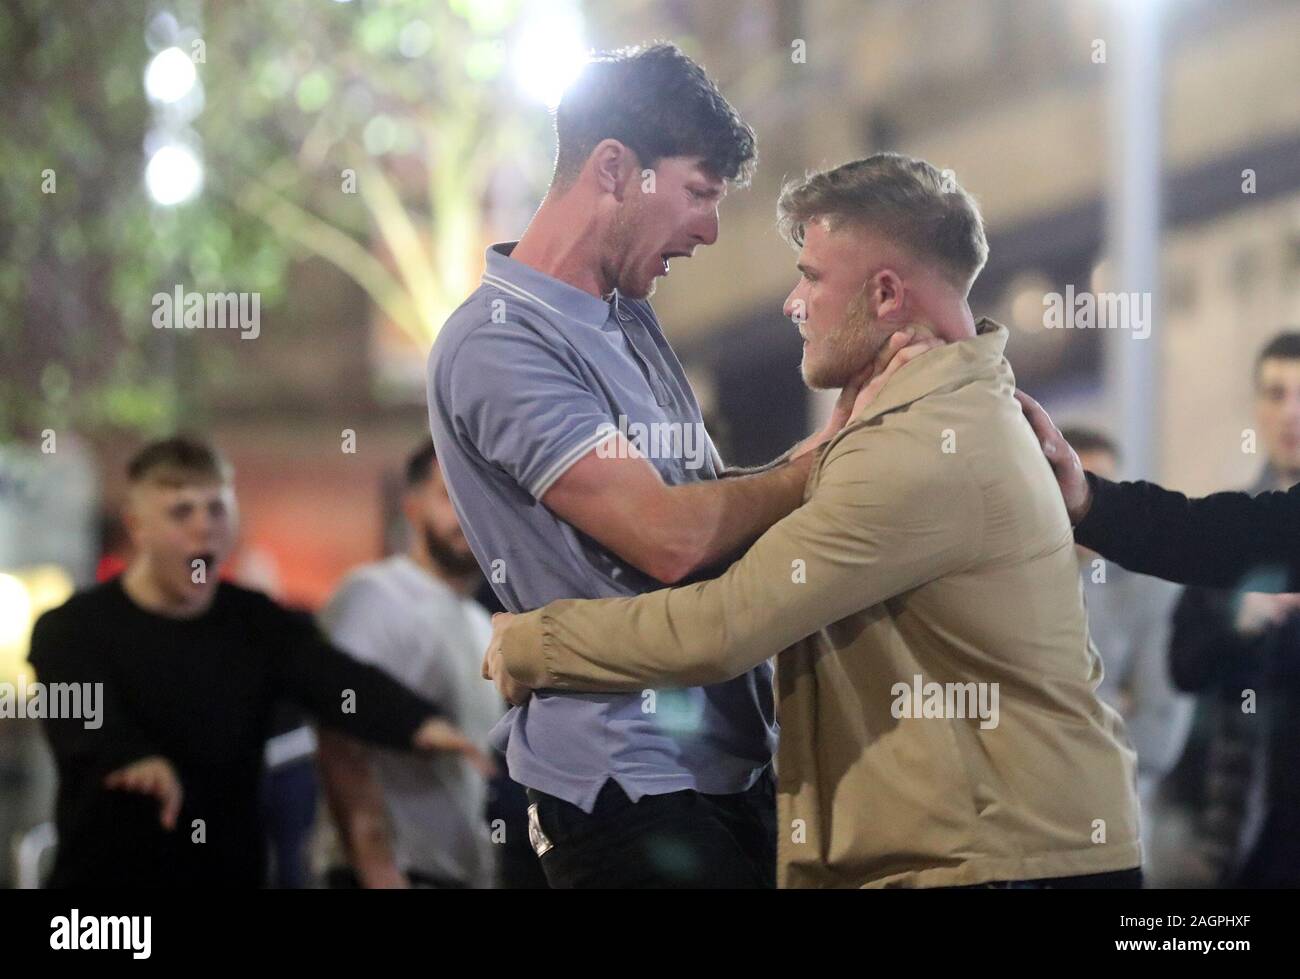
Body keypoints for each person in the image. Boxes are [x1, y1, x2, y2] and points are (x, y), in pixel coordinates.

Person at [487, 154, 1142, 889]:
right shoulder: (934, 417)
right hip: (997, 856)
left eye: (812, 277)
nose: (793, 303)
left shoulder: (920, 447)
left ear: (887, 293)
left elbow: (727, 624)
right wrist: (813, 460)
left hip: (995, 866)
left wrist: (535, 640)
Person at [427, 43, 891, 889]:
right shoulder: (498, 342)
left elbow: (709, 505)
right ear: (614, 169)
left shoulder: (626, 316)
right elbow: (671, 538)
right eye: (700, 192)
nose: (711, 227)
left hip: (726, 766)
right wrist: (817, 461)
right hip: (625, 784)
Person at [29, 437, 491, 888]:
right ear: (138, 526)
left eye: (215, 509)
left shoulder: (256, 622)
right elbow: (77, 715)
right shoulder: (71, 629)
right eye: (181, 511)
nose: (203, 527)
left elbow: (339, 682)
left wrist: (427, 725)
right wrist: (133, 757)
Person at [316, 440, 504, 889]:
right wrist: (378, 870)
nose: (468, 513)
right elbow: (340, 738)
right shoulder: (373, 595)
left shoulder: (483, 624)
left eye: (479, 497)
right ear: (412, 507)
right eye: (449, 494)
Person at [1163, 333, 1300, 887]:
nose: (1290, 412)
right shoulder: (1232, 532)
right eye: (1275, 393)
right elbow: (1182, 664)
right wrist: (1237, 623)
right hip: (1236, 828)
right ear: (1256, 407)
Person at [1016, 389, 1300, 590]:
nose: (1289, 414)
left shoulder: (1138, 595)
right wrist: (1088, 501)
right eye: (1276, 394)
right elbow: (1216, 537)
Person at [1062, 427, 1191, 814]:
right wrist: (1108, 704)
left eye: (1097, 490)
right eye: (1067, 487)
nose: (1081, 505)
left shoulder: (1152, 589)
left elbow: (1156, 739)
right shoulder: (1009, 583)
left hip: (1112, 823)